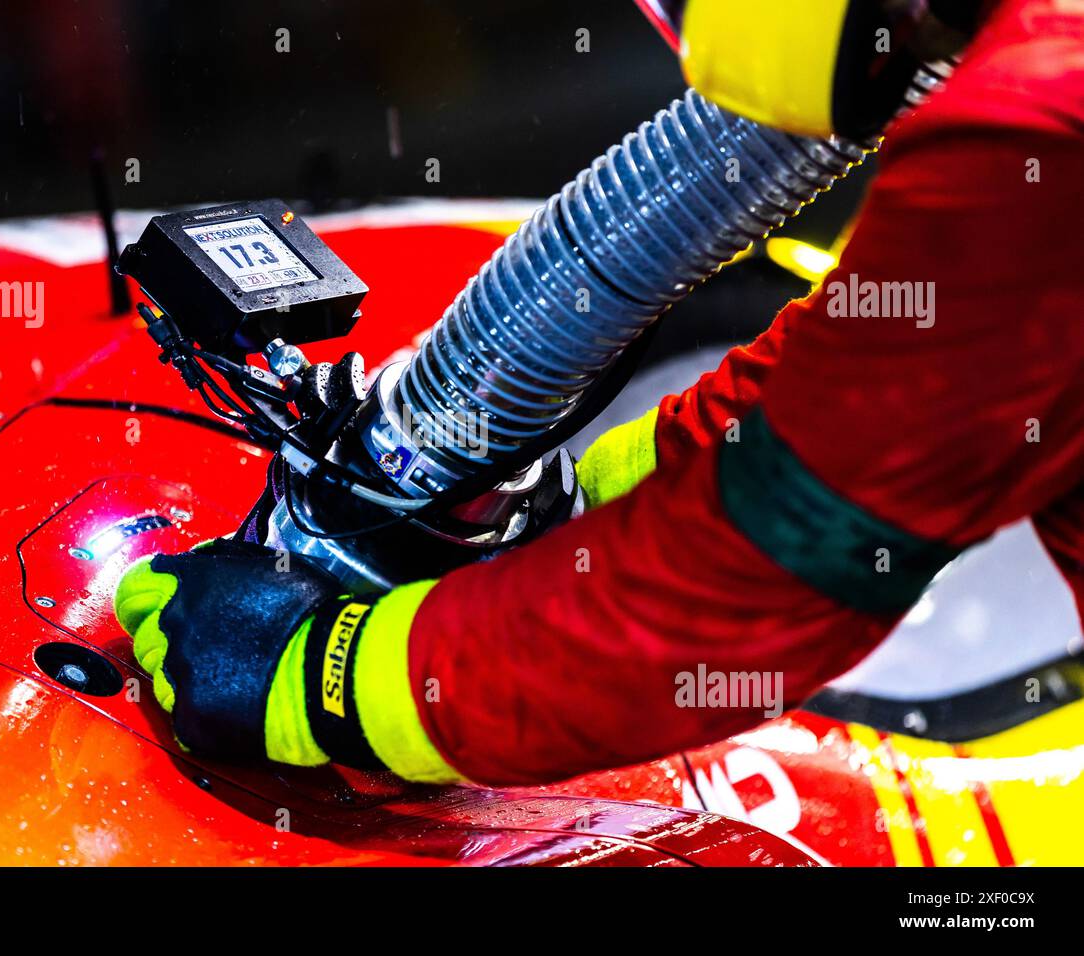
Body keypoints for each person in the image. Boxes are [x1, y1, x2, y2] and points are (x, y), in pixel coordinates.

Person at [114, 0, 1084, 786]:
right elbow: (897, 365)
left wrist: (320, 678)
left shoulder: (1038, 123)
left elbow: (741, 593)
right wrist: (601, 488)